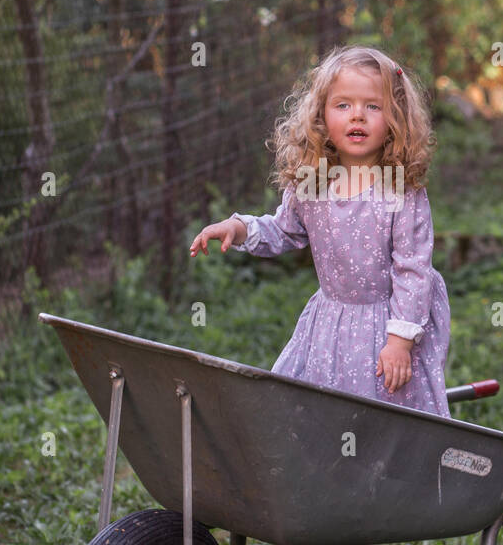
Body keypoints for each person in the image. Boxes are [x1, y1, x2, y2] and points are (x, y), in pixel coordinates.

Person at [189, 45, 451, 418]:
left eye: (372, 107)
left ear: (396, 118)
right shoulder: (315, 181)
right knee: (320, 414)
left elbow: (413, 269)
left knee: (384, 416)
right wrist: (240, 227)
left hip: (387, 323)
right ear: (321, 115)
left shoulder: (398, 187)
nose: (357, 115)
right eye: (343, 105)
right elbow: (284, 230)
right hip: (331, 324)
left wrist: (399, 342)